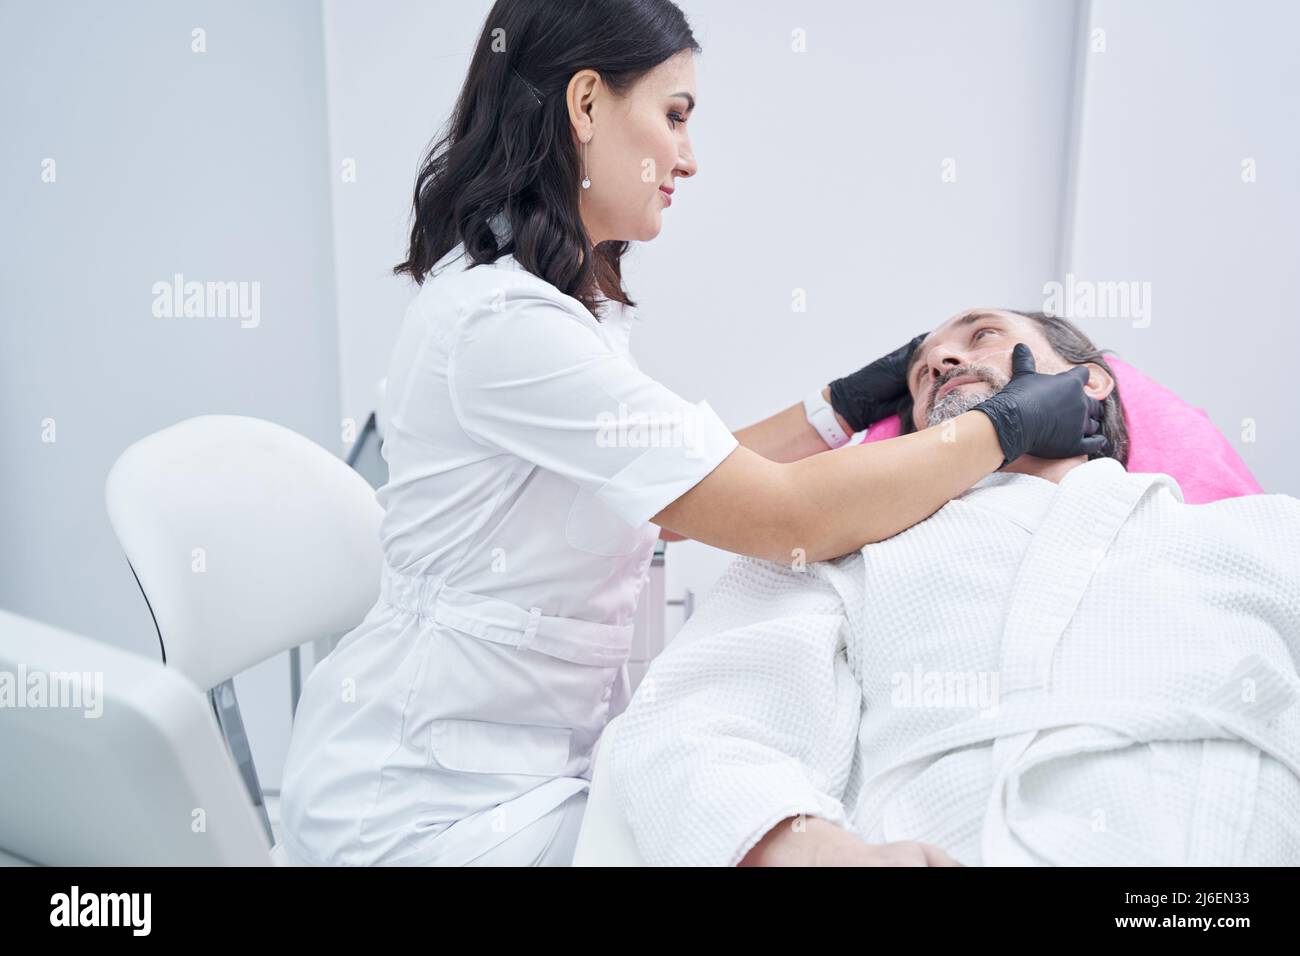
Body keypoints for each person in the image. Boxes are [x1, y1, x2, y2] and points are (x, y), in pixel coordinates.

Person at [278, 2, 1100, 867]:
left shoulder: (560, 310)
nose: (689, 158)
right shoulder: (504, 329)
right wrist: (999, 429)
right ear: (587, 105)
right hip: (422, 811)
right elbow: (784, 519)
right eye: (674, 116)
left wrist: (846, 405)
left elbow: (674, 488)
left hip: (521, 765)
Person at [607, 308, 1300, 866]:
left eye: (983, 334)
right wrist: (817, 851)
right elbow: (695, 726)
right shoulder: (843, 552)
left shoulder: (1265, 534)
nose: (938, 361)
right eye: (918, 374)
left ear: (1089, 383)